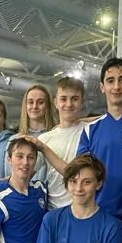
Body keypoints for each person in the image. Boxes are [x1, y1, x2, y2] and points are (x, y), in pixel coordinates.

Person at [35, 58, 122, 219]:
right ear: (102, 87)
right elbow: (80, 172)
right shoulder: (90, 130)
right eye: (110, 81)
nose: (116, 87)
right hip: (97, 215)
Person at [36, 77, 87, 209]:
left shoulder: (90, 132)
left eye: (75, 99)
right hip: (53, 210)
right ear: (55, 102)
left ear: (82, 102)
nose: (69, 104)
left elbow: (77, 174)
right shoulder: (45, 138)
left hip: (82, 209)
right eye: (63, 99)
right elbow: (26, 171)